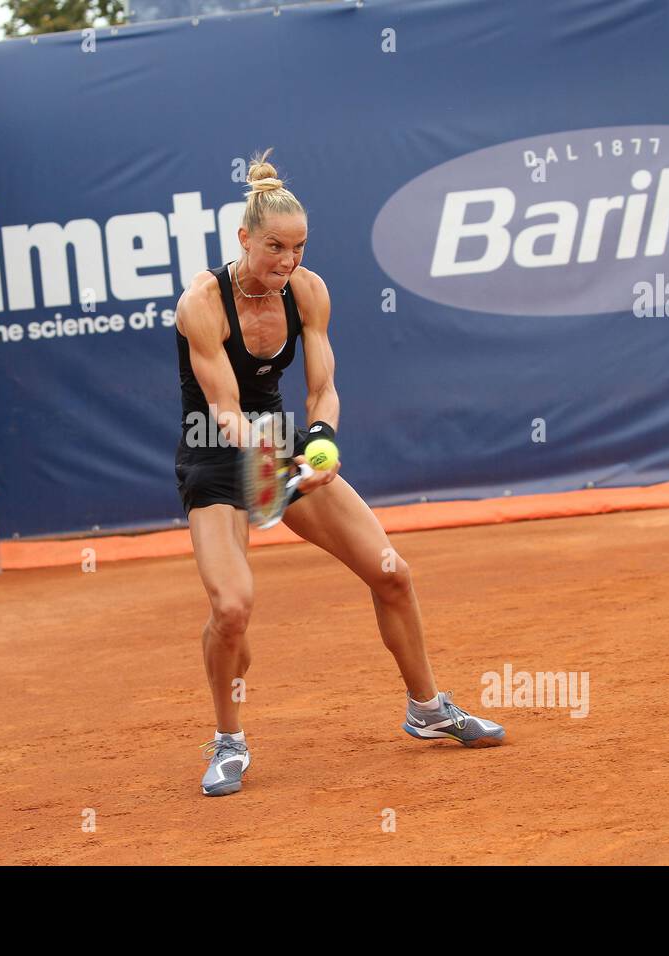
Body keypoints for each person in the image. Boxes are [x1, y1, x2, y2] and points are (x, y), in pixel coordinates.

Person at [174, 149, 506, 797]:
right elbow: (222, 411)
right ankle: (228, 739)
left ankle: (427, 710)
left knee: (391, 572)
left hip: (279, 443)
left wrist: (320, 441)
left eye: (298, 248)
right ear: (243, 238)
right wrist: (268, 465)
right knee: (233, 608)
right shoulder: (201, 304)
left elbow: (322, 389)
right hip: (212, 453)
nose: (288, 262)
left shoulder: (308, 291)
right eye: (275, 248)